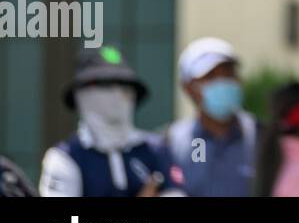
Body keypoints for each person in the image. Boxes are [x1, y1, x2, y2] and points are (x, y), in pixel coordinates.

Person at [39, 45, 186, 197]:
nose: (118, 93)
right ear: (81, 96)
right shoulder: (65, 157)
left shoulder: (157, 150)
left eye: (124, 86)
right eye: (105, 85)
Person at [165, 36, 258, 196]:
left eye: (228, 74)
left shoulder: (261, 137)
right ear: (188, 87)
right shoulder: (172, 143)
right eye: (210, 76)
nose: (222, 82)